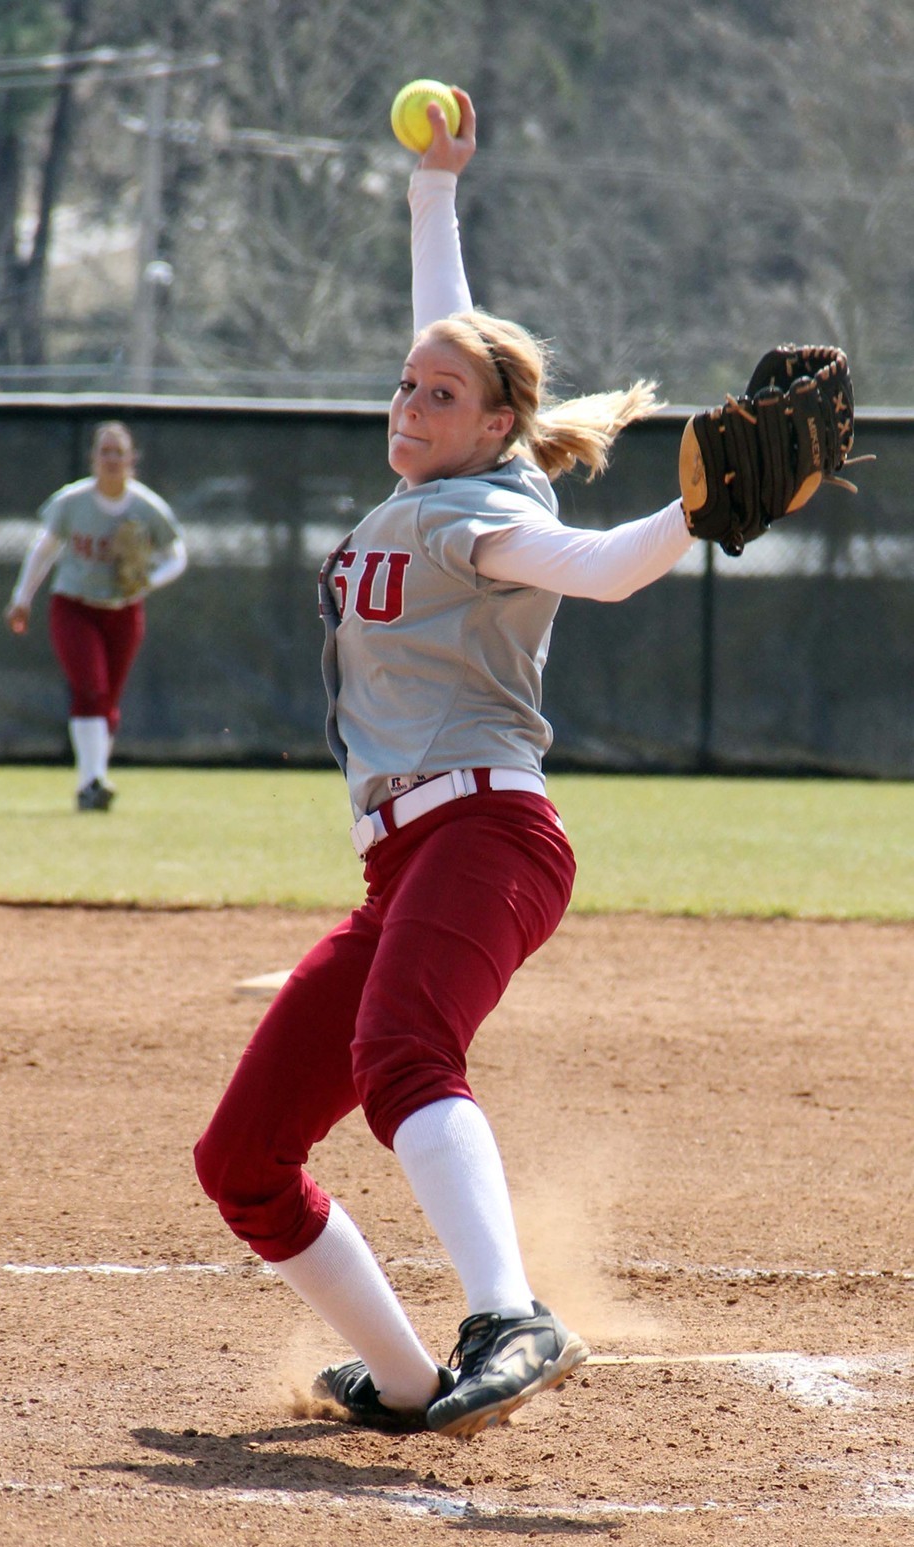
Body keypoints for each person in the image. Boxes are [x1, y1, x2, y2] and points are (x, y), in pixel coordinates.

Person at [194, 89, 695, 1440]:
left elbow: (599, 573)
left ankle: (509, 1311)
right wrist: (432, 192)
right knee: (242, 1160)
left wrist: (692, 506)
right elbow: (456, 332)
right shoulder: (443, 484)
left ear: (491, 430)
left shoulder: (481, 516)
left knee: (405, 1053)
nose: (410, 400)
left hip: (486, 838)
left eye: (441, 394)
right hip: (401, 862)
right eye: (403, 384)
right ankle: (410, 1385)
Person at [5, 421, 187, 811]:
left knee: (108, 699)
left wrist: (148, 581)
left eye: (118, 452)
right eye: (104, 451)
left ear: (131, 460)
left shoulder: (145, 506)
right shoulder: (72, 502)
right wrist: (22, 598)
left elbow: (177, 556)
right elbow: (44, 549)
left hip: (122, 610)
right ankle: (93, 781)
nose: (111, 459)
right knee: (90, 687)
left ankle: (93, 783)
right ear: (93, 458)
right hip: (74, 606)